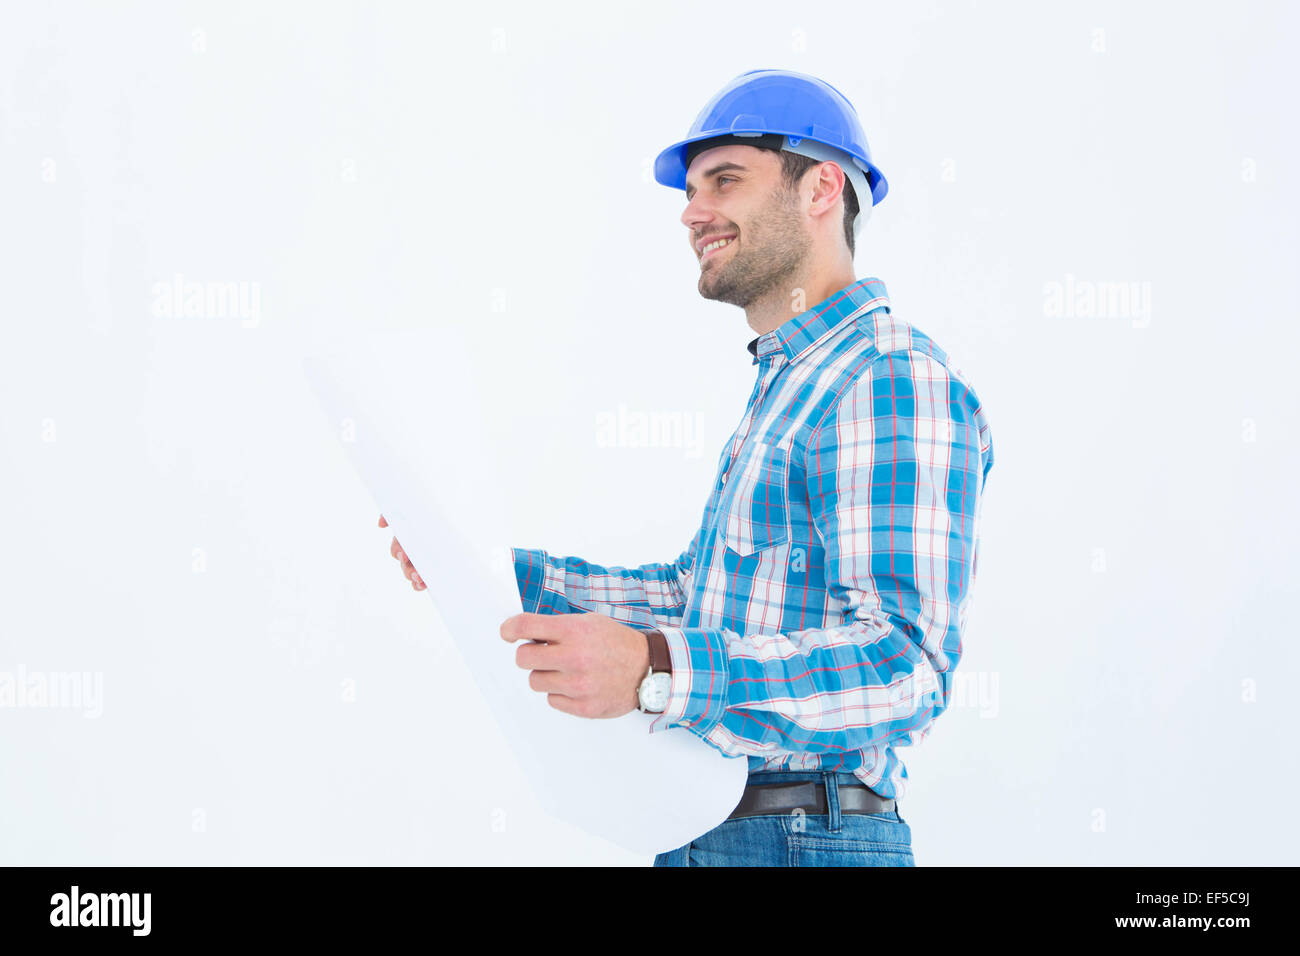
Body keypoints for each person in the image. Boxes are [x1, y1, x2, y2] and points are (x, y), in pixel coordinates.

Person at [383, 69, 995, 866]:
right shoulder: (793, 383)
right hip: (716, 829)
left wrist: (658, 669)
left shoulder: (887, 376)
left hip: (802, 842)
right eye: (692, 190)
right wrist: (494, 574)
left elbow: (905, 667)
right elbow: (695, 599)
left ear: (822, 188)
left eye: (724, 180)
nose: (691, 212)